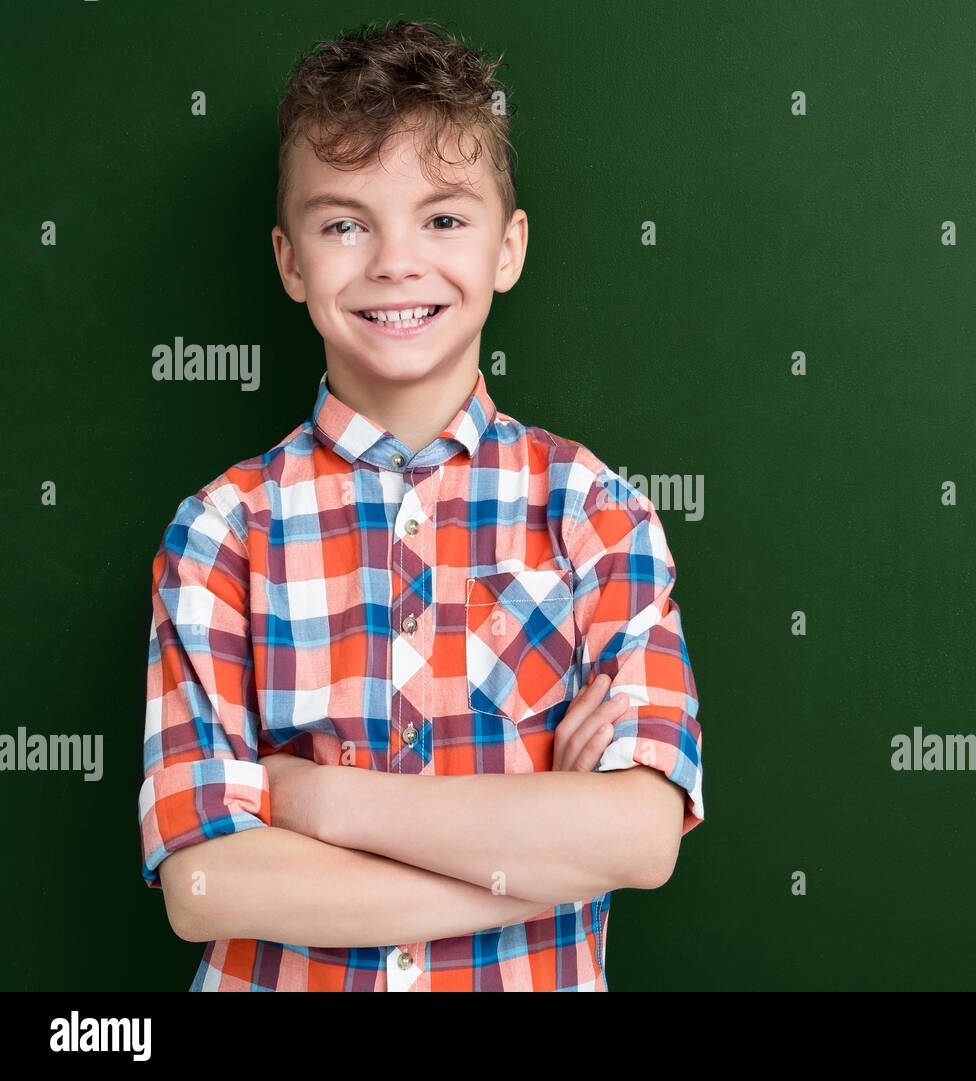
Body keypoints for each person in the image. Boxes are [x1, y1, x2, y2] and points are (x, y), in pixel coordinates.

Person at [136, 18, 703, 991]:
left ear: (508, 247)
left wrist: (312, 798)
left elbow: (641, 834)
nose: (396, 261)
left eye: (443, 218)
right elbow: (205, 883)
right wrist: (541, 859)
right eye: (345, 222)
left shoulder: (595, 516)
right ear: (289, 259)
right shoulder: (222, 532)